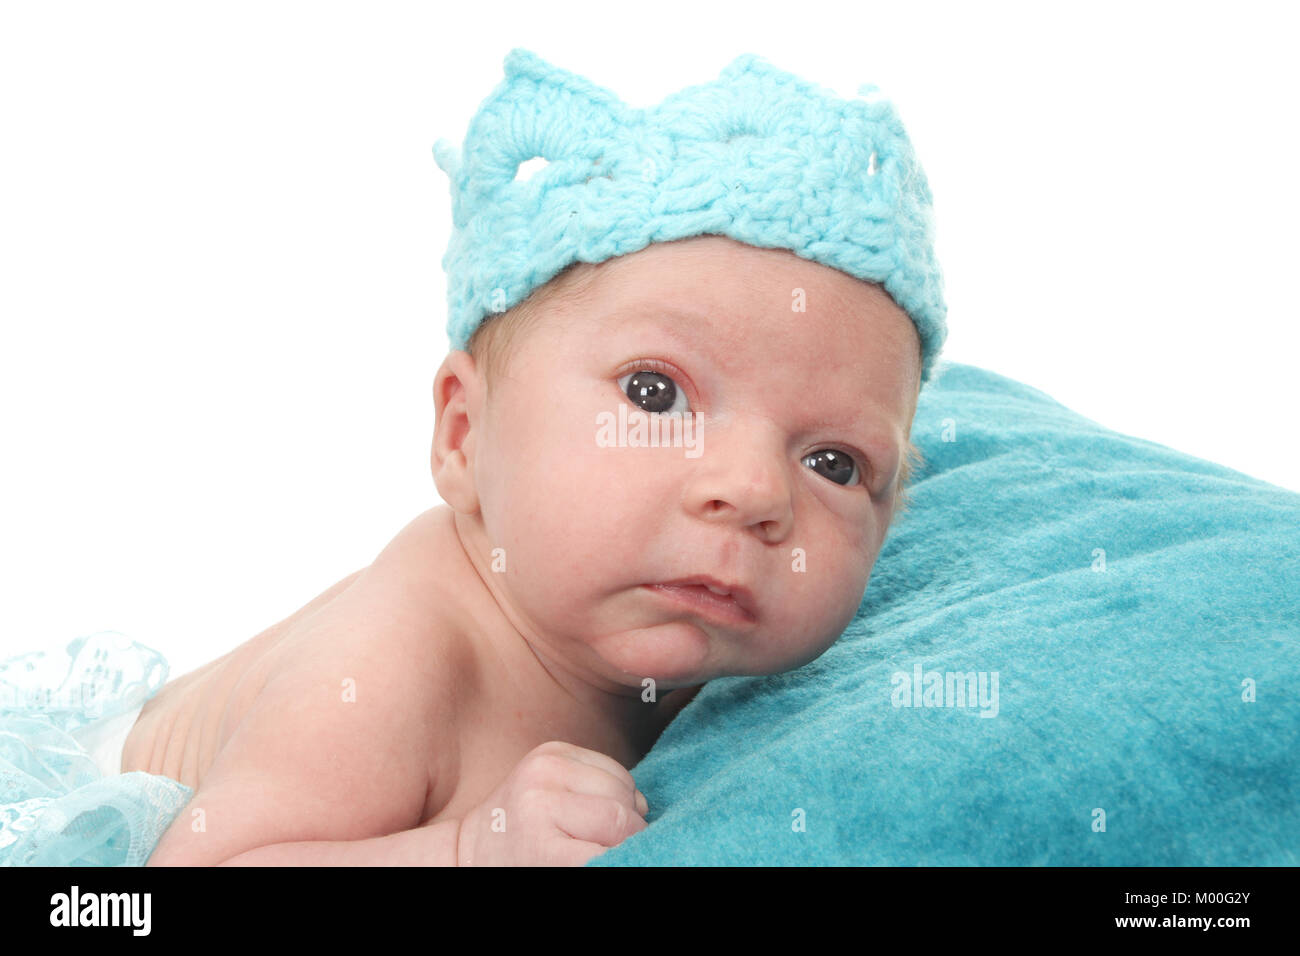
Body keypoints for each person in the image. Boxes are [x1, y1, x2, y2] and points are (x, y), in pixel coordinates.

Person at [0, 46, 946, 866]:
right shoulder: (398, 664)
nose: (751, 492)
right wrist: (466, 848)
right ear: (463, 436)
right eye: (655, 394)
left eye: (832, 463)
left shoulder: (706, 650)